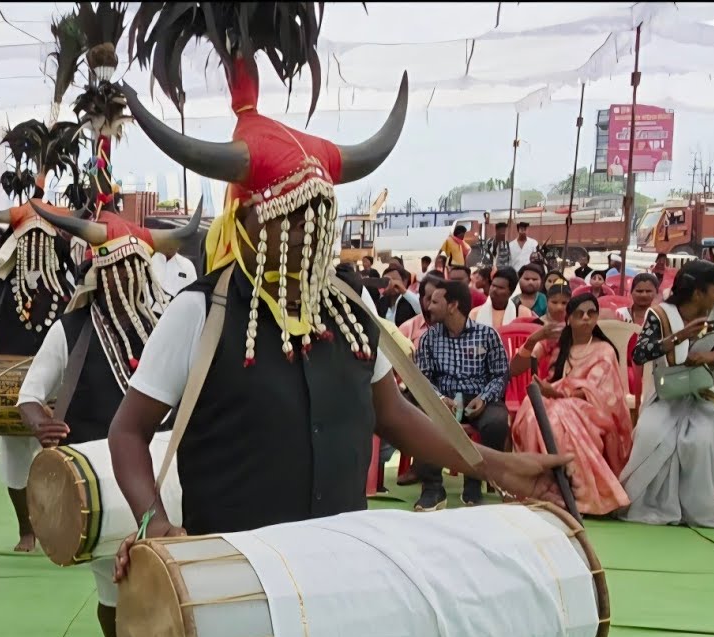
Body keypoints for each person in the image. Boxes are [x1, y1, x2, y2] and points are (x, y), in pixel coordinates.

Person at [110, 4, 570, 580]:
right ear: (247, 216)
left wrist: (501, 467)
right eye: (290, 215)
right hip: (232, 578)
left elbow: (394, 415)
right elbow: (127, 431)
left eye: (318, 216)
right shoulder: (200, 313)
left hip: (341, 573)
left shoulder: (352, 312)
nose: (309, 232)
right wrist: (155, 524)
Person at [18, 197, 197, 637]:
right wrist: (42, 424)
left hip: (168, 467)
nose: (126, 284)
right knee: (112, 588)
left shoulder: (169, 322)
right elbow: (30, 395)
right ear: (98, 274)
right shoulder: (70, 330)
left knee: (177, 571)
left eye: (135, 272)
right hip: (96, 476)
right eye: (116, 271)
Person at [0, 84, 83, 553]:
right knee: (16, 465)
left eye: (44, 238)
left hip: (60, 387)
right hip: (9, 387)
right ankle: (25, 530)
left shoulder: (70, 278)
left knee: (63, 462)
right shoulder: (0, 278)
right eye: (27, 239)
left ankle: (61, 528)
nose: (34, 248)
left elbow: (83, 327)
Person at [620, 259, 714, 529]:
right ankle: (653, 505)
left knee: (700, 439)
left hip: (707, 389)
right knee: (650, 432)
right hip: (669, 389)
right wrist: (678, 337)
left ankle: (697, 509)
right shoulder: (661, 314)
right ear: (697, 292)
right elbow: (640, 354)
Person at [510, 294, 633, 515]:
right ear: (569, 319)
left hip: (590, 410)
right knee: (532, 410)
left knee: (558, 416)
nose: (586, 318)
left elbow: (597, 394)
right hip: (553, 399)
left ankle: (576, 493)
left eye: (591, 313)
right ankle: (541, 487)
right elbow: (515, 369)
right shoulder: (555, 343)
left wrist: (557, 392)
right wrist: (534, 339)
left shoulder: (603, 350)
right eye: (579, 314)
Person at [411, 280, 511, 510]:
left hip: (479, 398)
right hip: (444, 399)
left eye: (435, 302)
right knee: (421, 416)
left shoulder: (487, 335)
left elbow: (500, 375)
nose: (429, 307)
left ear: (452, 306)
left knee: (496, 423)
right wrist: (438, 398)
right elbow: (422, 377)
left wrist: (484, 398)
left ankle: (474, 480)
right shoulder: (428, 338)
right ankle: (433, 488)